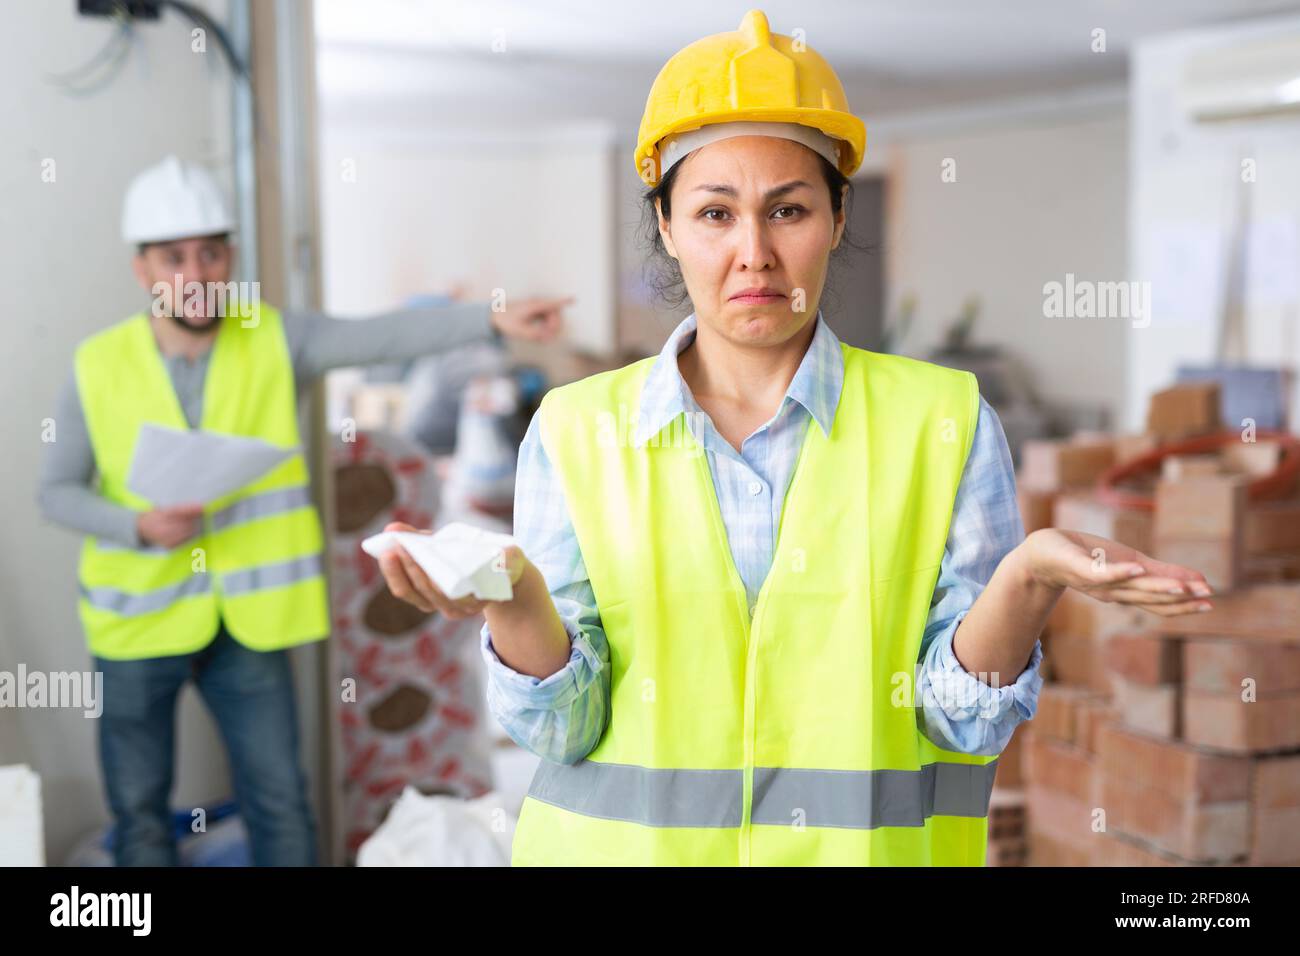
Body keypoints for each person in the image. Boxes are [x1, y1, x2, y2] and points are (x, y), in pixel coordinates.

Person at [376, 10, 1213, 866]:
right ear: (666, 226)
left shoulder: (945, 422)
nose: (754, 253)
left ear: (838, 216)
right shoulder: (575, 430)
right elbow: (563, 726)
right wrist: (516, 600)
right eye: (713, 213)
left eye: (788, 210)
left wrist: (1028, 578)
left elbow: (961, 723)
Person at [37, 154, 567, 867]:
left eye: (210, 253)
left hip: (251, 625)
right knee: (138, 815)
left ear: (229, 257)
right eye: (174, 258)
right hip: (138, 622)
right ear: (144, 270)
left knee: (281, 802)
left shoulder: (276, 338)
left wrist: (492, 318)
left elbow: (377, 335)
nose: (195, 275)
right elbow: (55, 491)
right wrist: (138, 526)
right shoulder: (97, 363)